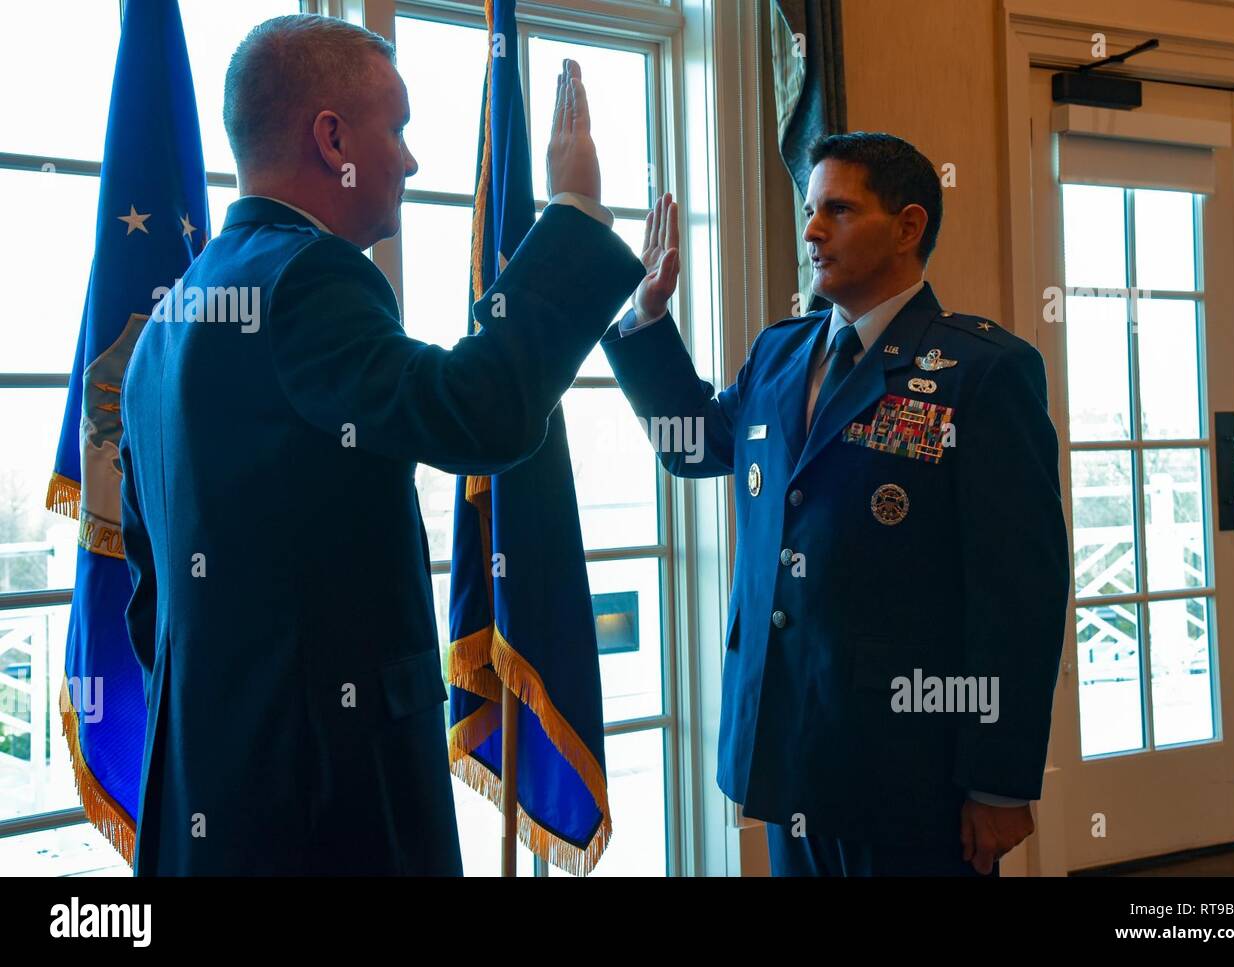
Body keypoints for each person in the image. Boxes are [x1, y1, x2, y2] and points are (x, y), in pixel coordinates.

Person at [119, 14, 643, 875]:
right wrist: (575, 218)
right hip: (327, 809)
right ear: (332, 139)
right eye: (396, 127)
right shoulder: (307, 278)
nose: (408, 159)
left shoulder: (167, 322)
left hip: (206, 798)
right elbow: (475, 413)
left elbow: (154, 605)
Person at [605, 132, 1069, 876]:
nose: (812, 229)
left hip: (910, 769)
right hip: (789, 747)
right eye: (810, 209)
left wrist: (1000, 778)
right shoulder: (781, 352)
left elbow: (1020, 595)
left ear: (909, 226)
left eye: (839, 210)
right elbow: (695, 445)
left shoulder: (983, 372)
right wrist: (648, 319)